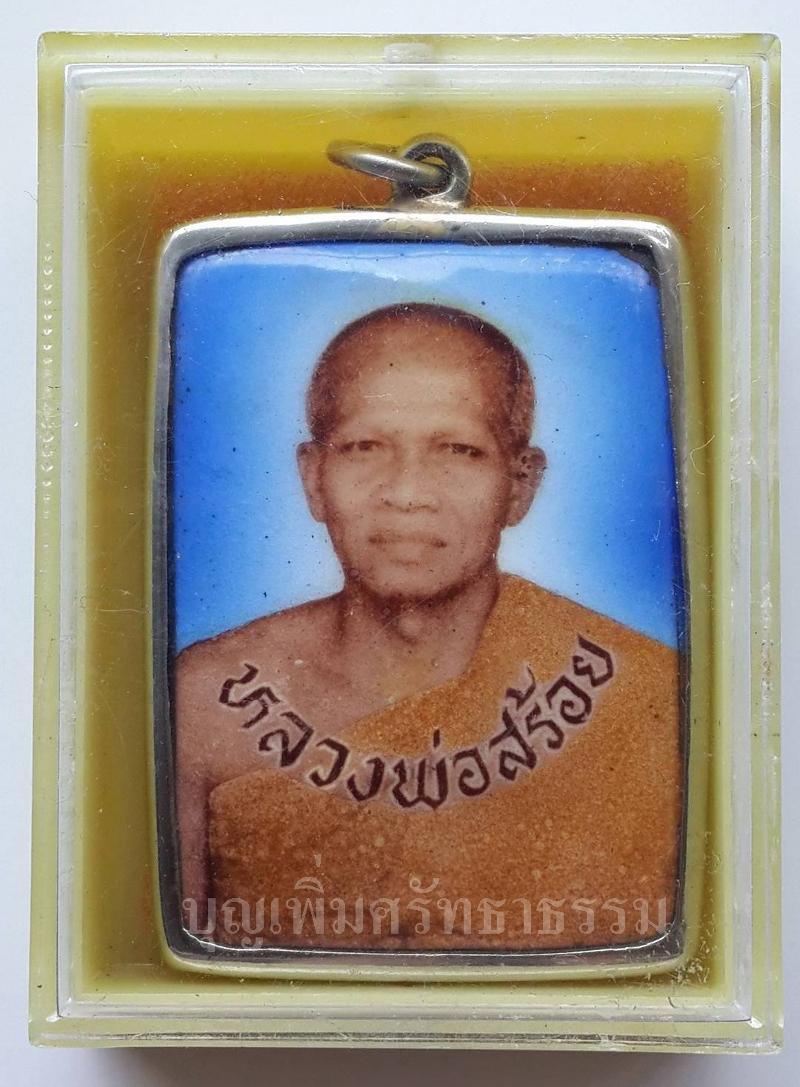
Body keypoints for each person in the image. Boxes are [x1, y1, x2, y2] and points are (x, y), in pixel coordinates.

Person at [175, 302, 682, 952]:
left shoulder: (647, 695)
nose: (408, 492)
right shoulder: (208, 701)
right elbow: (174, 981)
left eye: (458, 451)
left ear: (520, 485)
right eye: (365, 447)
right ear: (313, 478)